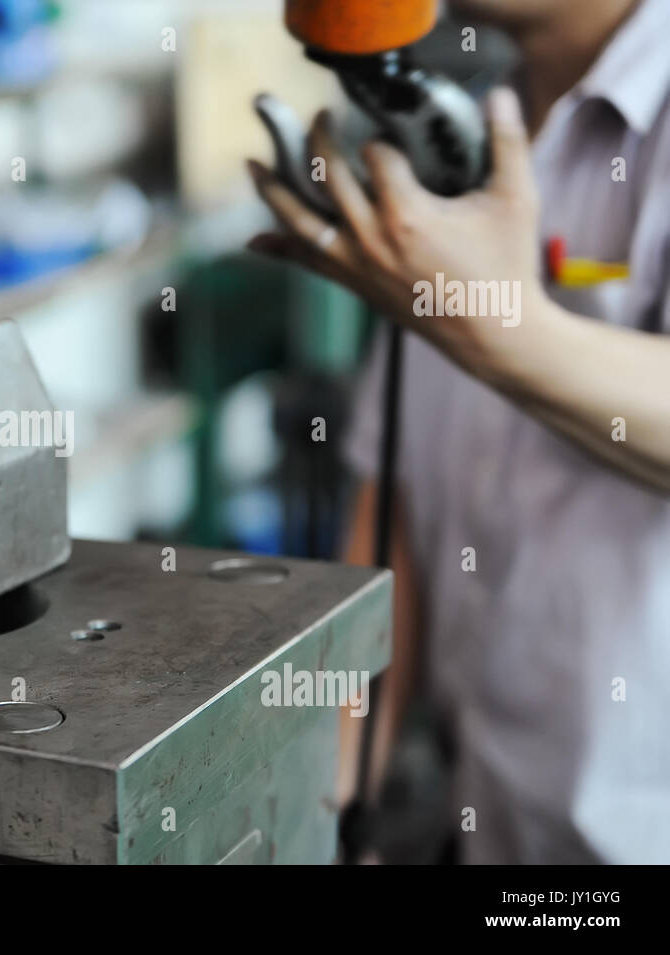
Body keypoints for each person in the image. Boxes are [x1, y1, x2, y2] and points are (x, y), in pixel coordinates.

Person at [247, 0, 670, 863]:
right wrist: (329, 799)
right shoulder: (456, 132)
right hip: (483, 819)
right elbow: (393, 496)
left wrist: (509, 331)